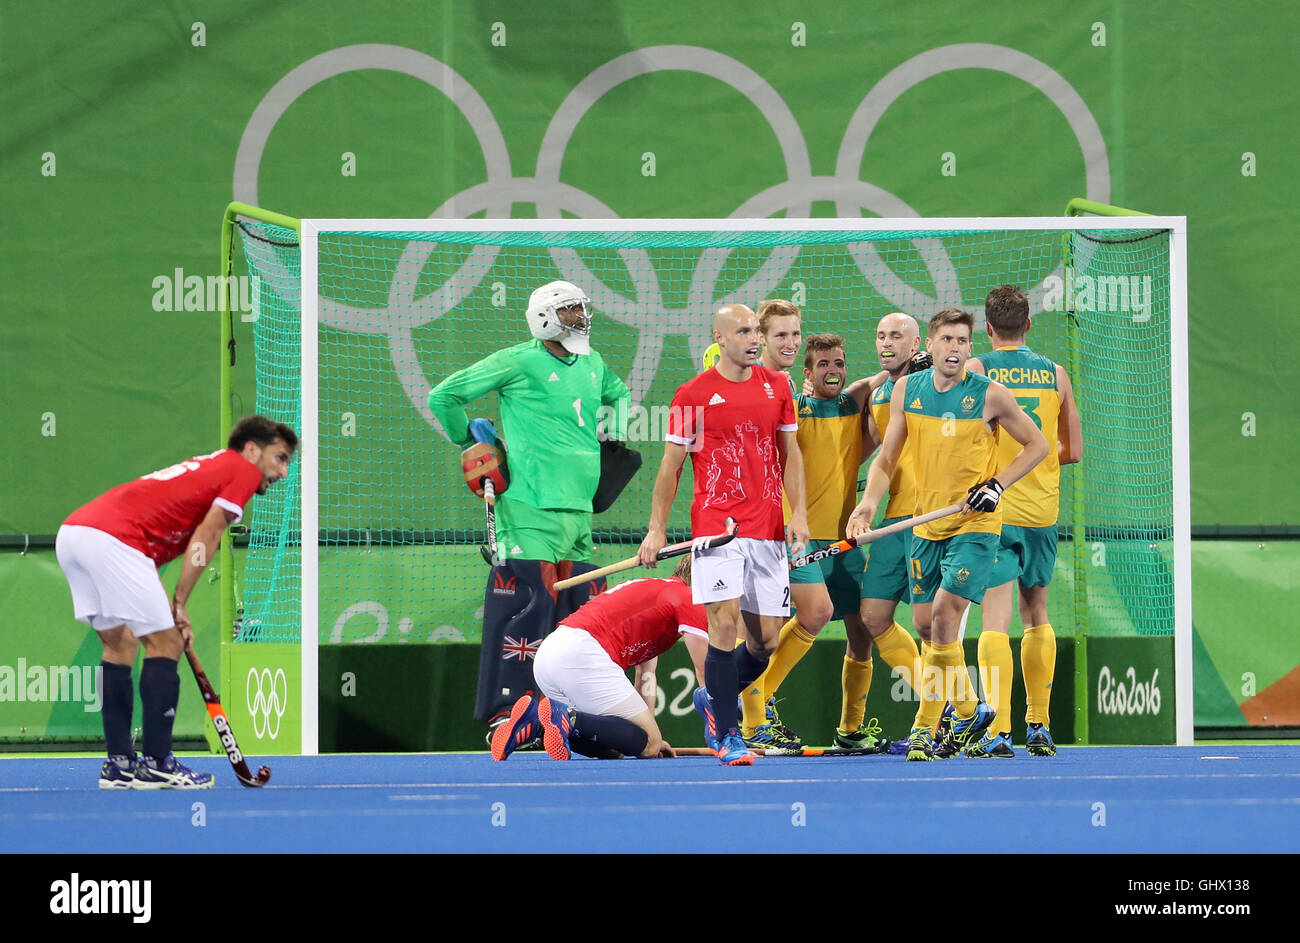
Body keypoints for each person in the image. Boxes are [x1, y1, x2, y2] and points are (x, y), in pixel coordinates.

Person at [428, 280, 631, 745]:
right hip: (528, 509)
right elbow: (444, 396)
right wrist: (472, 443)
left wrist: (611, 437)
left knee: (576, 618)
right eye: (572, 310)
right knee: (529, 609)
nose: (583, 317)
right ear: (545, 318)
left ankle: (572, 715)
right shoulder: (518, 360)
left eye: (582, 308)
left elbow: (619, 394)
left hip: (581, 511)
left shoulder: (593, 363)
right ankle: (509, 716)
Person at [847, 308, 1048, 761]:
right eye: (947, 340)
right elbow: (885, 457)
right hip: (926, 524)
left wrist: (998, 485)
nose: (955, 348)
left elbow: (1038, 445)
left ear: (970, 348)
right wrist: (868, 504)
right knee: (924, 626)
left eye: (962, 341)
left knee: (942, 616)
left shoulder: (991, 396)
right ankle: (967, 713)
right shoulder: (906, 390)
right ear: (931, 347)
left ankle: (924, 729)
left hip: (974, 527)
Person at [56, 415, 296, 788]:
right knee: (166, 643)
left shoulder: (211, 469)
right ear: (252, 450)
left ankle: (119, 763)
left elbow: (168, 537)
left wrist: (171, 602)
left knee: (120, 645)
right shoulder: (241, 470)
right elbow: (210, 534)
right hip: (118, 538)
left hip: (77, 533)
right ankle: (157, 762)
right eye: (280, 458)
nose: (282, 472)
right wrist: (180, 601)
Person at [637, 303, 810, 765]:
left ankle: (714, 697)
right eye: (744, 331)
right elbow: (671, 468)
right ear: (720, 336)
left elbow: (790, 456)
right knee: (724, 624)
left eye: (756, 330)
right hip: (717, 528)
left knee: (766, 642)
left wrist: (800, 516)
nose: (754, 339)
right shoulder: (693, 394)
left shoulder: (778, 387)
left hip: (769, 527)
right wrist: (656, 530)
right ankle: (729, 737)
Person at [961, 285, 1082, 757]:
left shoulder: (977, 368)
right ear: (1028, 325)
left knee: (995, 616)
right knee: (1037, 613)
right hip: (1041, 509)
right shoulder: (1056, 374)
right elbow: (1071, 450)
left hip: (994, 507)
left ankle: (998, 730)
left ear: (987, 329)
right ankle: (1039, 725)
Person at [491, 556, 709, 761]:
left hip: (551, 653)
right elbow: (705, 672)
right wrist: (652, 741)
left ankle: (536, 722)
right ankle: (567, 716)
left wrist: (648, 732)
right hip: (582, 655)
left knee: (616, 749)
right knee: (648, 745)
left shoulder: (657, 592)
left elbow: (646, 674)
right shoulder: (688, 597)